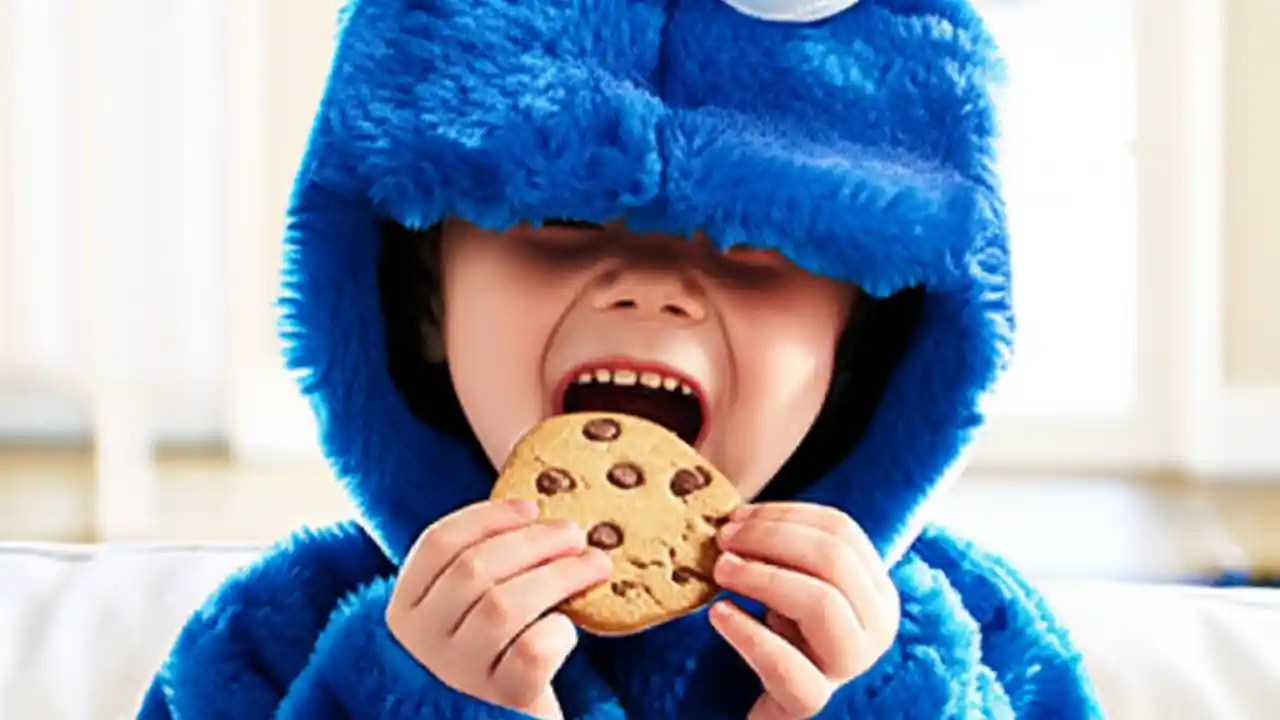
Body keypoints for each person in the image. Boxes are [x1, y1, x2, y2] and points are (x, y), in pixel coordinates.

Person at [140, 0, 1102, 717]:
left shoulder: (976, 645)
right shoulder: (274, 640)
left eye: (751, 250)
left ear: (859, 347)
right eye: (558, 222)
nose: (650, 289)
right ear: (424, 302)